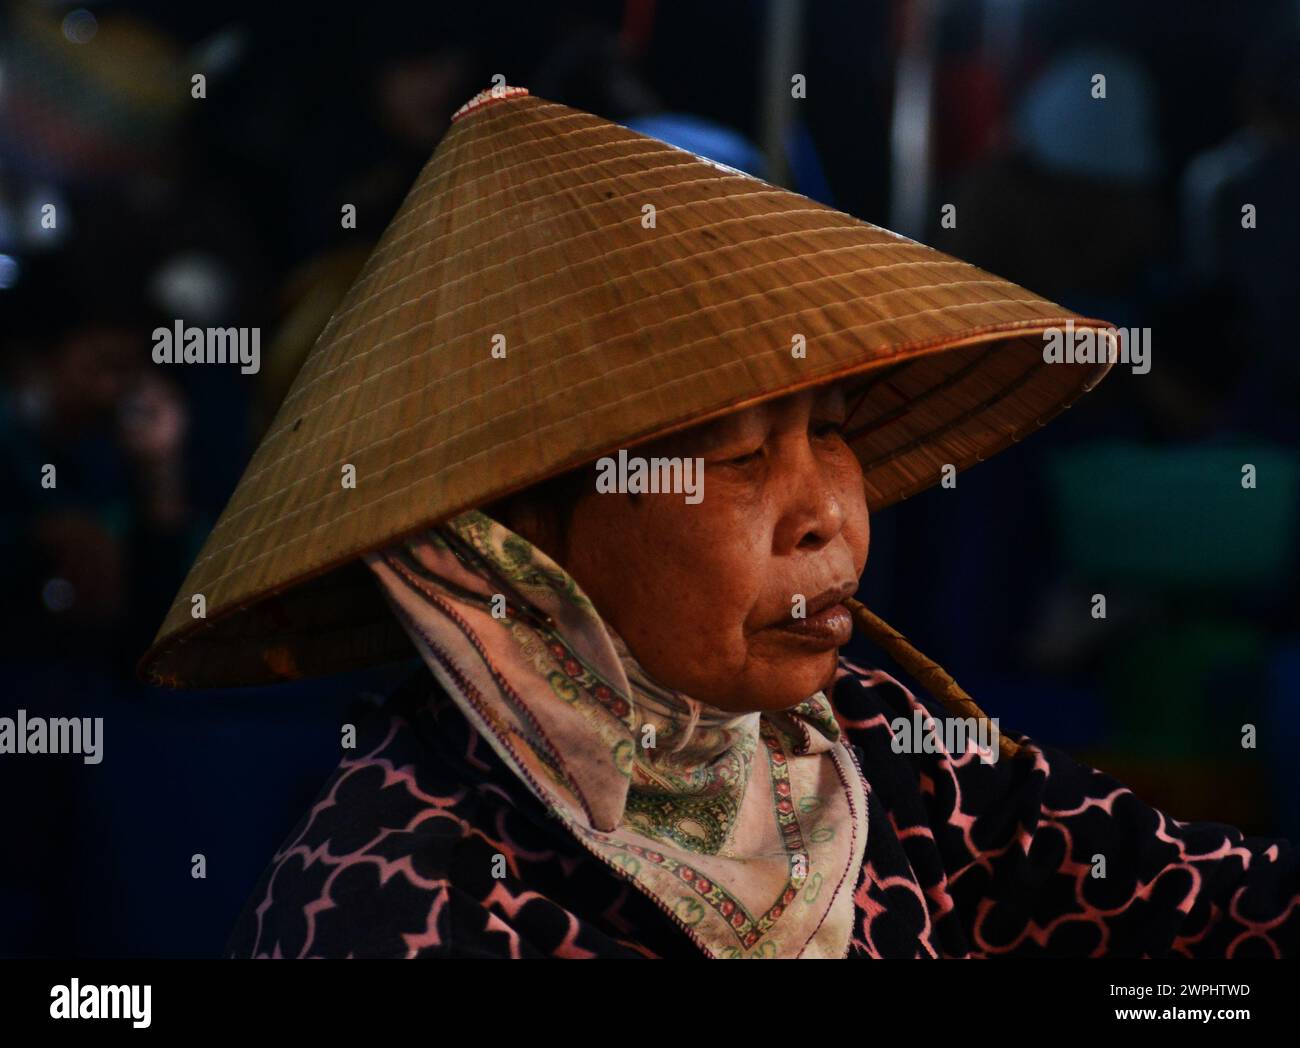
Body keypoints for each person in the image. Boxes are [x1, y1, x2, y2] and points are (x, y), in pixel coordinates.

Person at [140, 87, 1300, 958]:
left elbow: (1198, 911)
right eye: (739, 457)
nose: (826, 517)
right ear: (526, 538)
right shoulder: (412, 890)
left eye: (834, 430)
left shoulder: (877, 750)